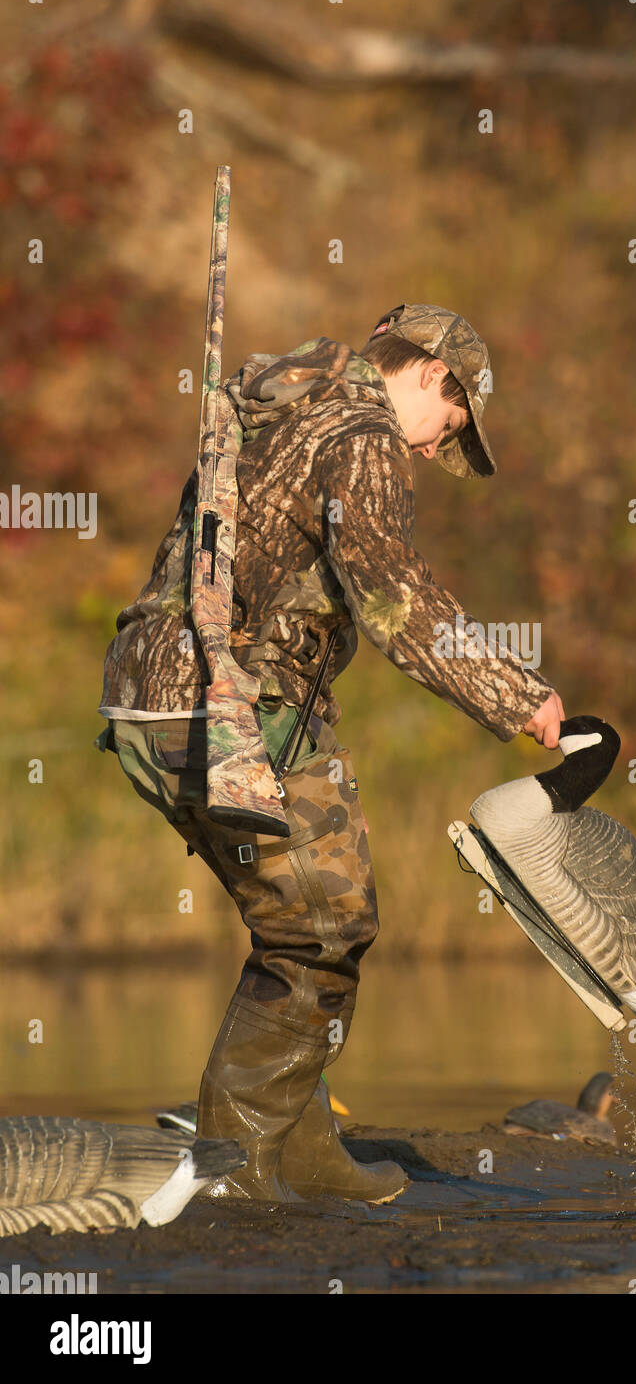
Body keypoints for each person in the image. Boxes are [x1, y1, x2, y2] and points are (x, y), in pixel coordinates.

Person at [95, 303, 564, 1204]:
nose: (434, 450)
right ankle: (234, 1168)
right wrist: (518, 694)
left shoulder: (271, 406)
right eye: (449, 426)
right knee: (326, 928)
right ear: (430, 374)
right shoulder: (362, 432)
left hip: (144, 698)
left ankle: (300, 1151)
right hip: (236, 708)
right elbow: (394, 597)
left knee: (296, 920)